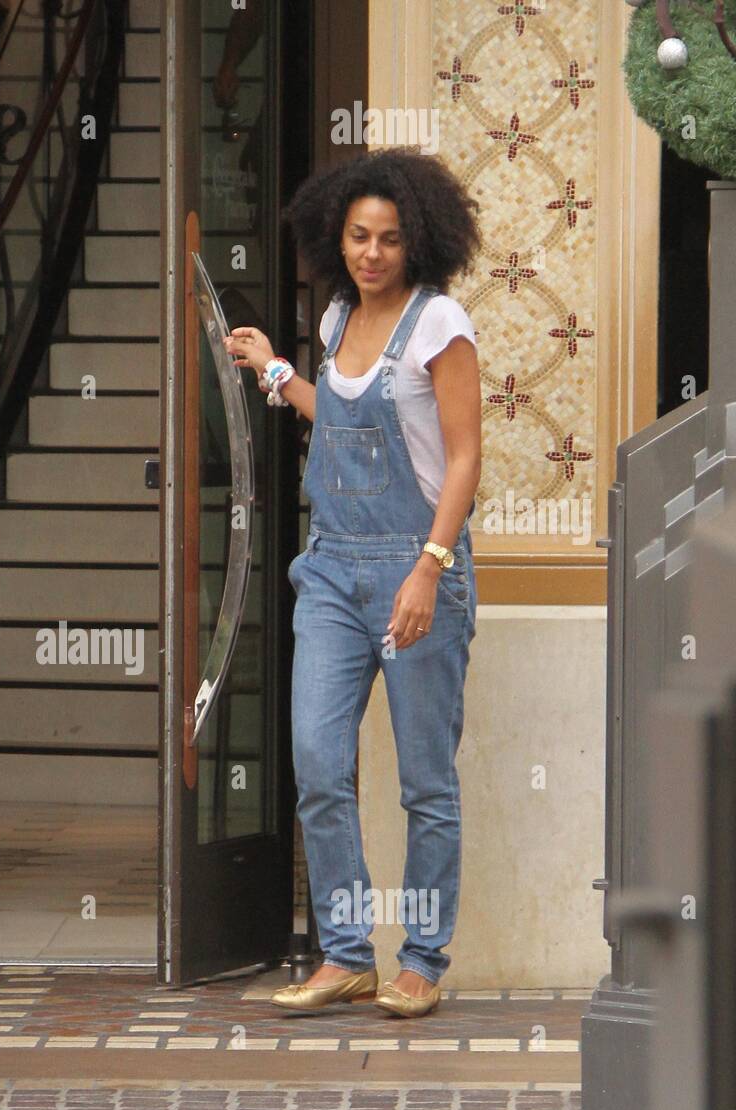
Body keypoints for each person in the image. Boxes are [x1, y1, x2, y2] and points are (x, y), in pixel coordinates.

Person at [227, 147, 482, 1019]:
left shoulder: (440, 324)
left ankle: (422, 957)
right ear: (337, 239)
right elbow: (332, 412)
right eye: (358, 237)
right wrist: (272, 369)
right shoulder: (337, 318)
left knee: (424, 782)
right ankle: (347, 953)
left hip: (418, 570)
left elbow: (464, 459)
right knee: (320, 765)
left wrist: (429, 567)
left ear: (420, 244)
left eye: (390, 239)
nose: (372, 253)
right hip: (333, 569)